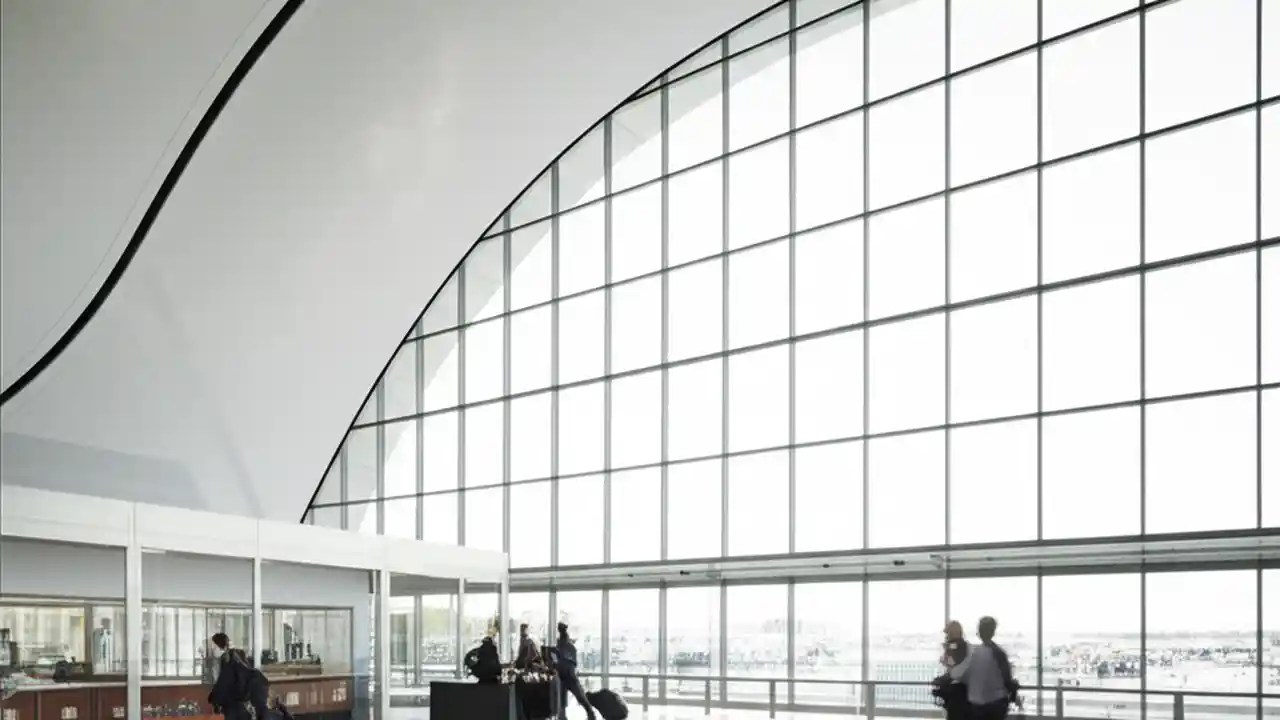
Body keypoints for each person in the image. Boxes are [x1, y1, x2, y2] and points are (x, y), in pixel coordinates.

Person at [950, 617, 1021, 720]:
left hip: (977, 706)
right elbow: (1007, 679)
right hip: (997, 704)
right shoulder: (999, 653)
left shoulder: (973, 653)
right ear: (993, 631)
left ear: (979, 631)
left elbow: (958, 674)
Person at [555, 623, 596, 720]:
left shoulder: (569, 646)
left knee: (580, 697)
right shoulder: (560, 645)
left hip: (569, 676)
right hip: (563, 675)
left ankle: (591, 714)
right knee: (563, 699)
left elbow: (572, 662)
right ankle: (562, 716)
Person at [935, 621, 970, 720]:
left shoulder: (955, 646)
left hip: (957, 691)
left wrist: (945, 659)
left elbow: (953, 666)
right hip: (963, 690)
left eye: (948, 634)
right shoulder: (964, 646)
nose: (946, 637)